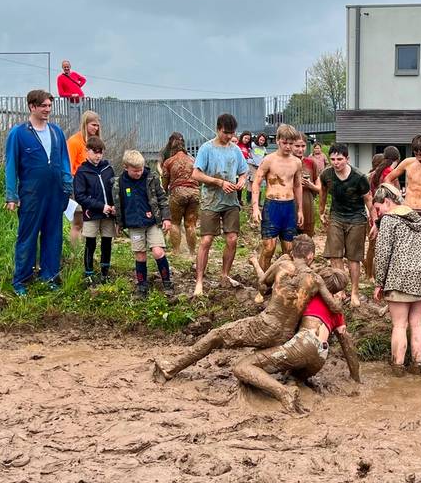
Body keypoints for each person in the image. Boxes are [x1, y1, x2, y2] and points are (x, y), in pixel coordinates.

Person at [155, 235, 343, 378]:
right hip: (285, 336)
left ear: (293, 252)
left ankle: (171, 367)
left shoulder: (283, 264)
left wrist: (261, 270)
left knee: (216, 335)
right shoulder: (316, 280)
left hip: (265, 325)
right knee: (258, 357)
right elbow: (335, 307)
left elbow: (262, 285)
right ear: (311, 256)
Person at [232, 265, 359, 415]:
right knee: (290, 375)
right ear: (338, 292)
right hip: (320, 356)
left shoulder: (306, 297)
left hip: (305, 343)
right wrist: (355, 379)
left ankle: (283, 393)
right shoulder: (337, 312)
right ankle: (293, 384)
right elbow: (348, 346)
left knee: (241, 367)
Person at [4, 90, 72, 296]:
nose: (47, 110)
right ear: (32, 107)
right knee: (28, 236)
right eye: (43, 106)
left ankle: (49, 276)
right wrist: (11, 196)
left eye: (49, 106)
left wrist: (68, 187)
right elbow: (10, 166)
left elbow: (64, 161)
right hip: (31, 194)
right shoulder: (19, 133)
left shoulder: (56, 132)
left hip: (55, 193)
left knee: (54, 235)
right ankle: (21, 280)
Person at [372, 184, 421, 374]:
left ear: (387, 202)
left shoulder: (389, 220)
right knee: (417, 324)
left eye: (378, 208)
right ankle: (417, 367)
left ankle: (398, 369)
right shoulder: (418, 219)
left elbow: (383, 253)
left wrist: (379, 282)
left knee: (399, 325)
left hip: (399, 276)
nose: (378, 214)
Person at [191, 114, 249, 296]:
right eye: (226, 133)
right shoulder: (206, 149)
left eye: (232, 133)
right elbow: (196, 175)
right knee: (206, 240)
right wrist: (218, 182)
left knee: (232, 239)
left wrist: (241, 182)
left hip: (231, 201)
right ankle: (199, 281)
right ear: (218, 129)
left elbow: (244, 172)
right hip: (211, 200)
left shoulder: (235, 150)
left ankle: (225, 275)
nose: (229, 136)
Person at [319, 143, 373, 307]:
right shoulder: (326, 174)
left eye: (340, 159)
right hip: (336, 216)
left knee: (353, 258)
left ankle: (355, 292)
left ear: (347, 159)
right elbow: (323, 191)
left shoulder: (359, 177)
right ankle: (340, 290)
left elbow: (368, 199)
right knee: (335, 255)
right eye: (333, 159)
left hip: (357, 218)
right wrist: (321, 211)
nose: (336, 163)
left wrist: (373, 220)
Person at [116, 150, 173, 297]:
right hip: (134, 224)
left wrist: (166, 218)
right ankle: (142, 286)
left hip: (152, 221)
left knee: (158, 251)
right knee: (140, 255)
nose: (139, 173)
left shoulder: (151, 178)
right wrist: (119, 223)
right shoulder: (119, 183)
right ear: (125, 167)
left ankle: (167, 282)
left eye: (141, 169)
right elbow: (118, 204)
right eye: (135, 171)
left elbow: (162, 199)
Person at [251, 124, 305, 270]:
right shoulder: (269, 160)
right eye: (285, 143)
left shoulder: (296, 162)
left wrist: (300, 210)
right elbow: (256, 183)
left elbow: (298, 185)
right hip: (272, 206)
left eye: (291, 143)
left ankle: (282, 281)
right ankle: (263, 284)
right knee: (269, 248)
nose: (288, 147)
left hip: (289, 207)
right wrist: (255, 207)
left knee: (288, 249)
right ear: (278, 140)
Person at [72, 136, 116, 285]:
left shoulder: (108, 169)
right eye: (94, 152)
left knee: (107, 242)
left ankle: (105, 273)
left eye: (100, 152)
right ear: (87, 151)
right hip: (91, 214)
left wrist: (114, 205)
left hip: (108, 214)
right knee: (90, 242)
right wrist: (99, 206)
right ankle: (89, 273)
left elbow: (114, 190)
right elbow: (80, 196)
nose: (97, 155)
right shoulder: (82, 172)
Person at [160, 132, 198, 260]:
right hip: (194, 193)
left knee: (175, 223)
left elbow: (164, 185)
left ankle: (176, 252)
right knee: (191, 224)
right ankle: (192, 253)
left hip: (178, 193)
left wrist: (164, 194)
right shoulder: (193, 160)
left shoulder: (169, 162)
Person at [66, 110, 102, 248]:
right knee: (78, 221)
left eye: (97, 126)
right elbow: (68, 166)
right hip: (78, 185)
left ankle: (87, 251)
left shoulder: (95, 143)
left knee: (91, 222)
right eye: (93, 125)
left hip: (93, 186)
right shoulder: (74, 141)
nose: (96, 128)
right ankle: (76, 251)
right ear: (85, 124)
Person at [364, 149, 400, 280]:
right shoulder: (390, 173)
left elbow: (368, 196)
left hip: (373, 210)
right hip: (386, 212)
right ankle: (380, 276)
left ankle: (369, 275)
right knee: (385, 246)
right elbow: (396, 196)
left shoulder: (371, 175)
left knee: (372, 245)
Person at [294, 135, 321, 237]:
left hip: (307, 203)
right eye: (297, 146)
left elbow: (319, 188)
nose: (300, 149)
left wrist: (310, 185)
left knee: (307, 239)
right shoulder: (286, 162)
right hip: (291, 203)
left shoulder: (310, 162)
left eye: (303, 146)